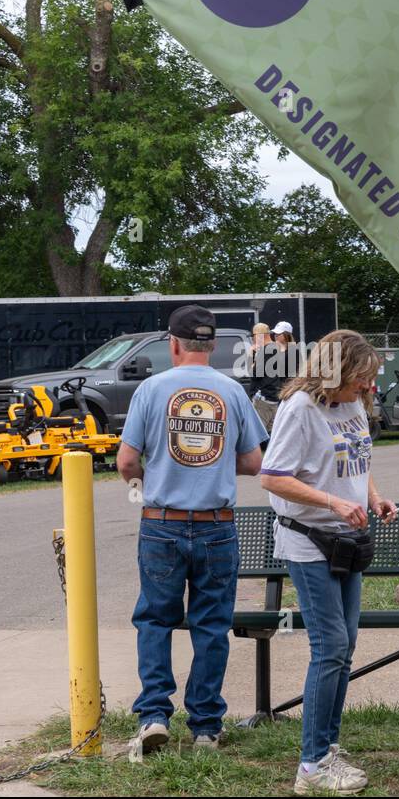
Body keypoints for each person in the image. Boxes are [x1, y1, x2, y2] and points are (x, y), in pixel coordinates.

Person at [116, 304, 267, 755]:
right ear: (213, 344)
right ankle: (205, 726)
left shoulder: (150, 389)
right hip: (217, 527)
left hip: (161, 524)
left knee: (154, 620)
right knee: (211, 625)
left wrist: (146, 480)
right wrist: (217, 464)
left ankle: (154, 715)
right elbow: (255, 461)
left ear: (173, 344)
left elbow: (126, 460)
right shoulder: (233, 391)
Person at [260, 329, 398, 794]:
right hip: (309, 541)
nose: (366, 388)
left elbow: (357, 458)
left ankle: (328, 747)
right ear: (332, 371)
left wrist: (373, 497)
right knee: (331, 646)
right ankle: (312, 766)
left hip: (347, 540)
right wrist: (333, 503)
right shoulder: (300, 408)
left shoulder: (351, 404)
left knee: (346, 645)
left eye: (369, 380)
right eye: (359, 379)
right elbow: (273, 478)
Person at [248, 322, 286, 443]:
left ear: (259, 335)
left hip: (263, 397)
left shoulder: (265, 351)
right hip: (274, 395)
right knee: (272, 435)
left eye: (254, 336)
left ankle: (258, 460)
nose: (253, 339)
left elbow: (254, 373)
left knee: (257, 434)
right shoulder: (277, 348)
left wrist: (251, 354)